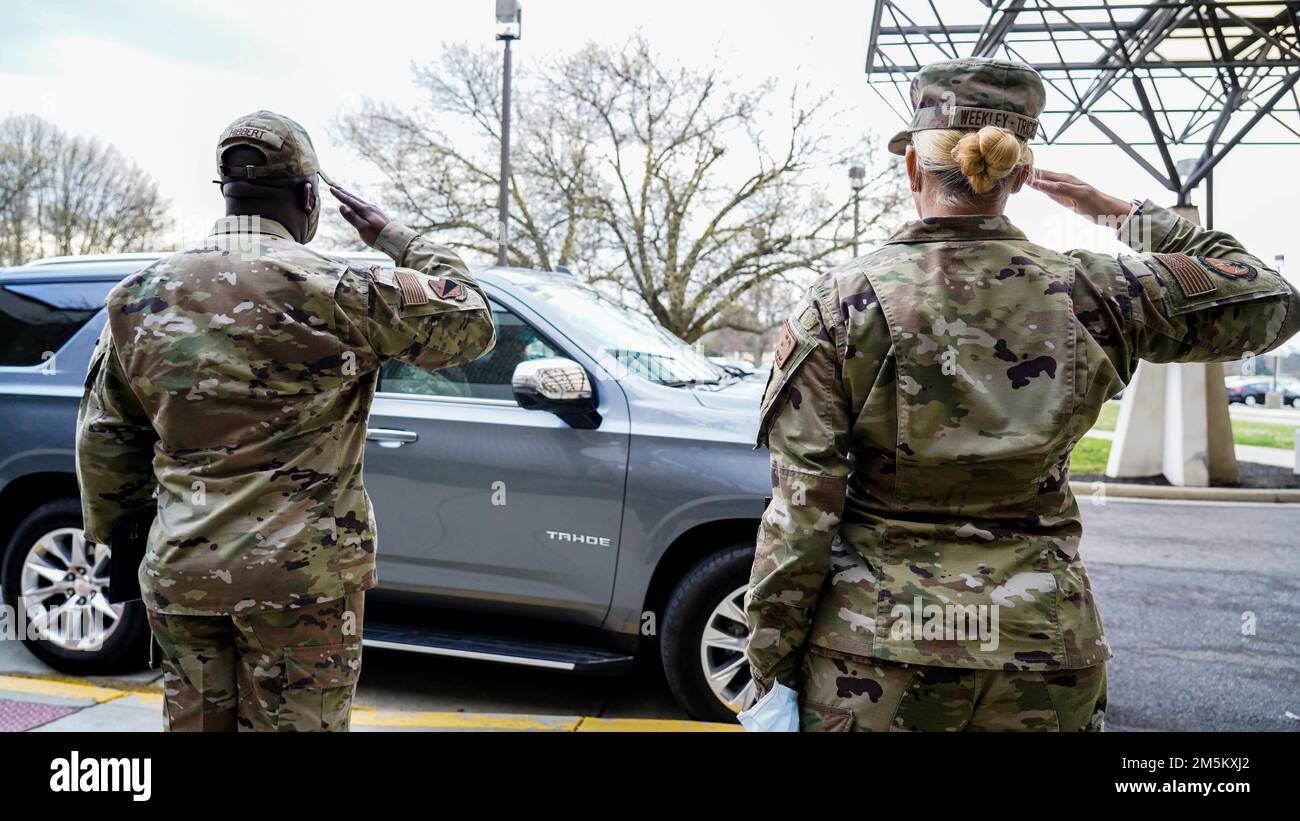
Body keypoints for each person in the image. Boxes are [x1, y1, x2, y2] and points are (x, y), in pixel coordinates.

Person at [745, 58, 1300, 731]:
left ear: (915, 171)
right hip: (1044, 655)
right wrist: (1120, 215)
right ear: (1019, 175)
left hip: (876, 665)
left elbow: (801, 517)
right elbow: (1269, 296)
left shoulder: (841, 307)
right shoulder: (1096, 293)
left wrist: (771, 671)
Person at [75, 111, 496, 731]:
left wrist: (123, 538)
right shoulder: (339, 289)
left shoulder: (138, 296)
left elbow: (106, 437)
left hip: (183, 572)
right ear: (308, 196)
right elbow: (472, 322)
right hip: (303, 582)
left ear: (226, 192)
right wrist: (397, 239)